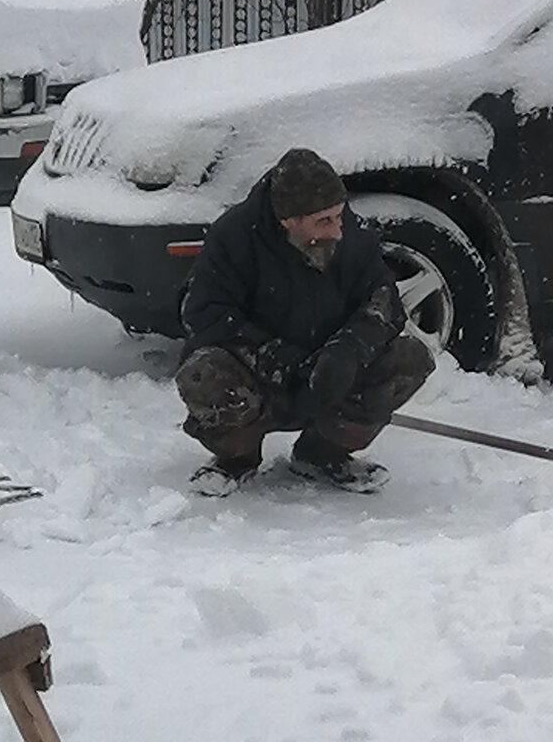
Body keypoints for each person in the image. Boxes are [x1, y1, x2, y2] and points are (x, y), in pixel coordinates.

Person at [175, 147, 435, 496]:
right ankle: (237, 458)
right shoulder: (233, 237)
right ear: (289, 221)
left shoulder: (351, 237)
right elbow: (204, 314)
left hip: (330, 376)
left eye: (339, 216)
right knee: (202, 372)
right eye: (323, 221)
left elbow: (383, 302)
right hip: (259, 375)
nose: (338, 230)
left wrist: (348, 350)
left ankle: (323, 452)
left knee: (409, 358)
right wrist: (280, 359)